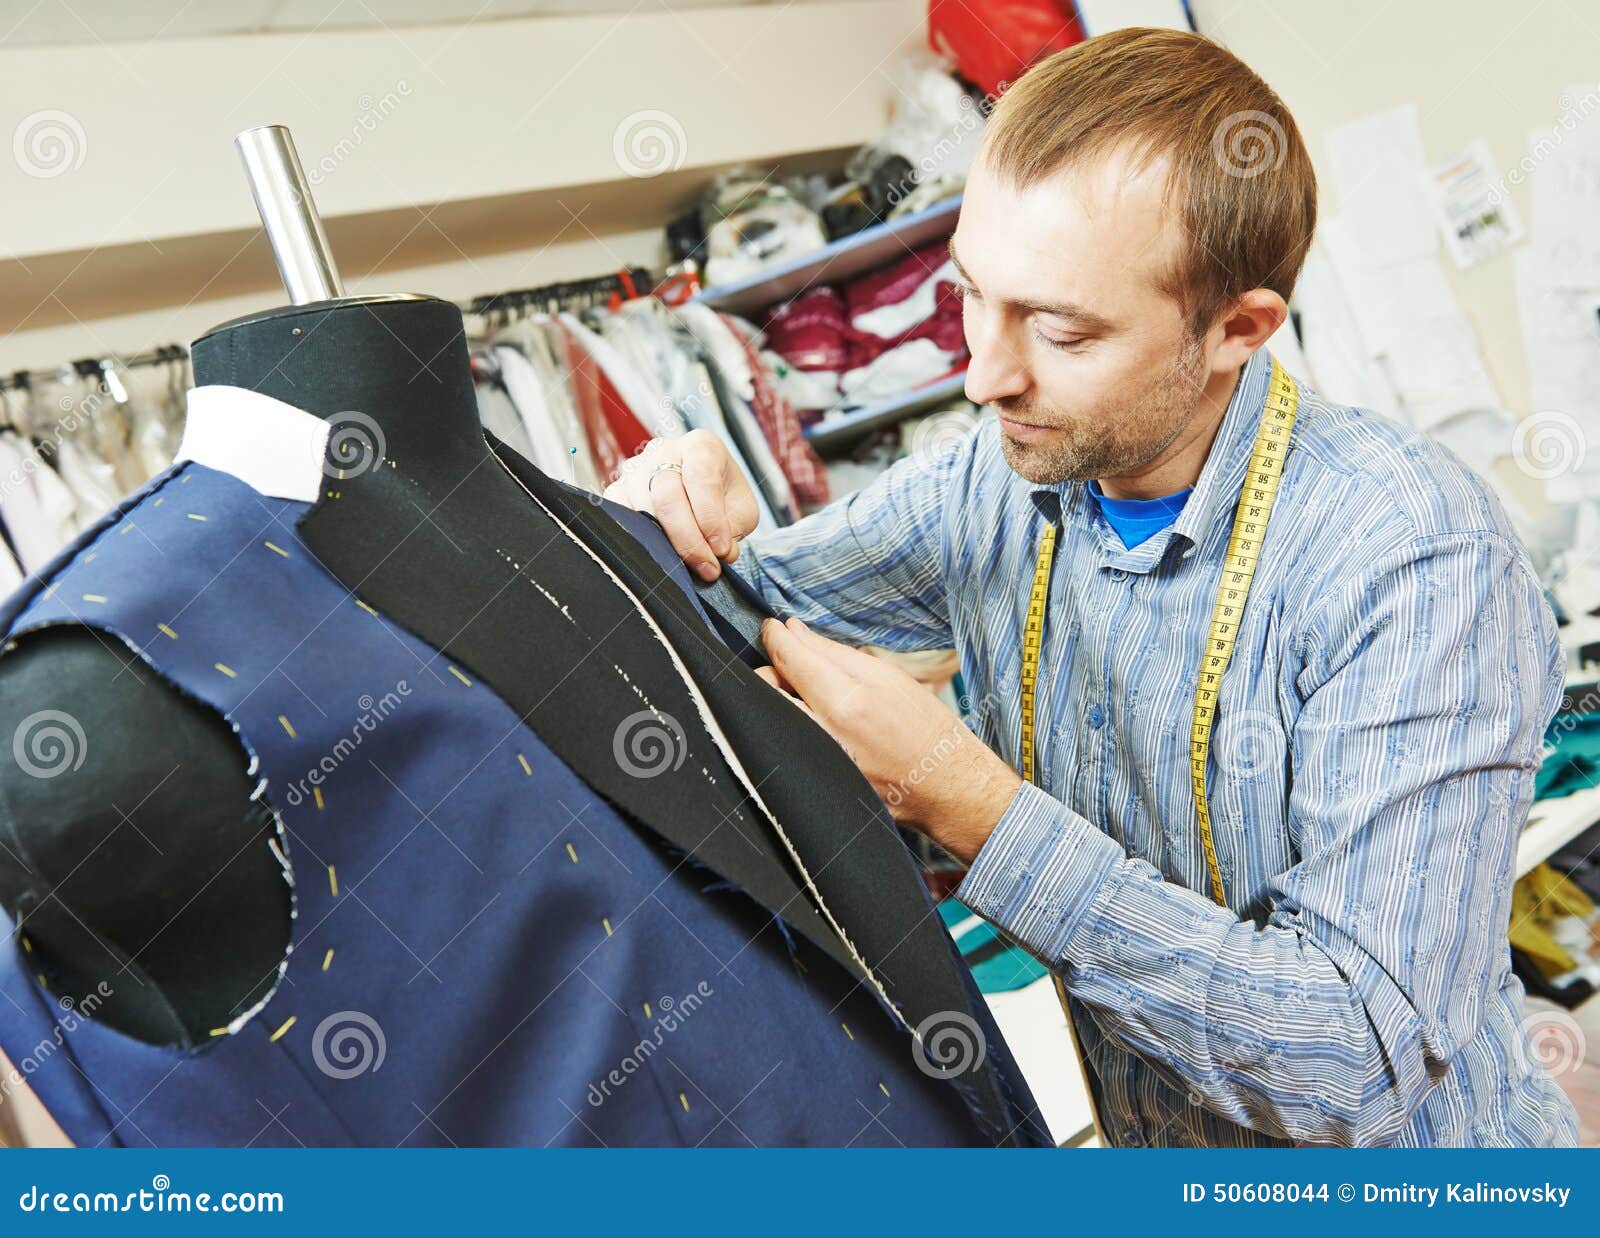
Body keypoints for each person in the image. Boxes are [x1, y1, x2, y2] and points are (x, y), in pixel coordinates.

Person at [606, 27, 1582, 1147]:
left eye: (1061, 329)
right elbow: (736, 613)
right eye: (972, 294)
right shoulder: (996, 480)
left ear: (1238, 329)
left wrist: (967, 802)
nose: (982, 372)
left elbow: (1355, 1059)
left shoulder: (1410, 561)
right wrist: (675, 507)